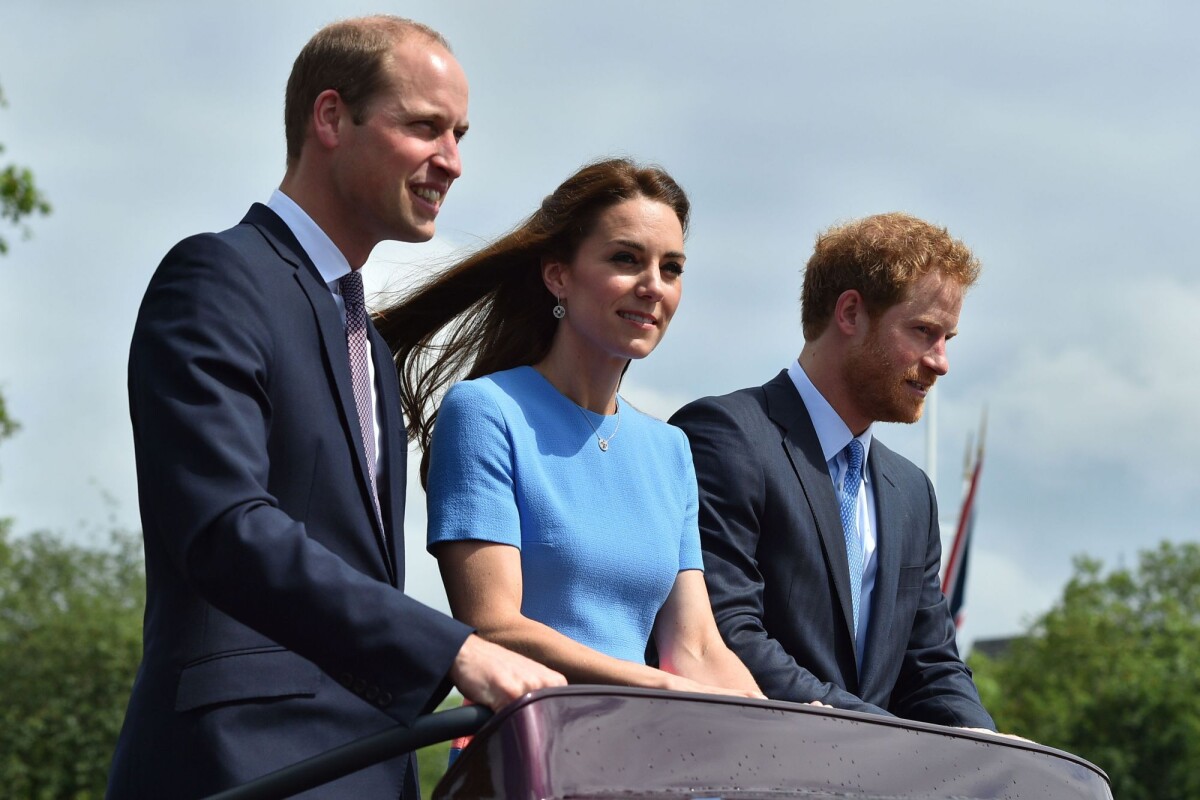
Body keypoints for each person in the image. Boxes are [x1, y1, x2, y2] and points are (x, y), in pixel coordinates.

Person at [109, 17, 563, 799]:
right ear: (330, 118)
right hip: (245, 761)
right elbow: (223, 526)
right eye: (424, 127)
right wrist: (453, 650)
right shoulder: (216, 277)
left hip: (371, 767)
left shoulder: (368, 345)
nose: (452, 161)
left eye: (458, 135)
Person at [376, 158, 762, 698]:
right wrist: (657, 686)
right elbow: (493, 626)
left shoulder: (670, 448)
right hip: (537, 737)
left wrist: (785, 724)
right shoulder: (486, 411)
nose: (654, 286)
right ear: (558, 275)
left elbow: (696, 648)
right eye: (626, 259)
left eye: (672, 268)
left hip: (647, 740)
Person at [670, 212, 996, 729]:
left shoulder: (913, 493)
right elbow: (723, 631)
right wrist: (877, 733)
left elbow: (932, 667)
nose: (941, 362)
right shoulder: (725, 438)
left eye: (947, 338)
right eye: (923, 331)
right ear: (850, 312)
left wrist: (994, 752)